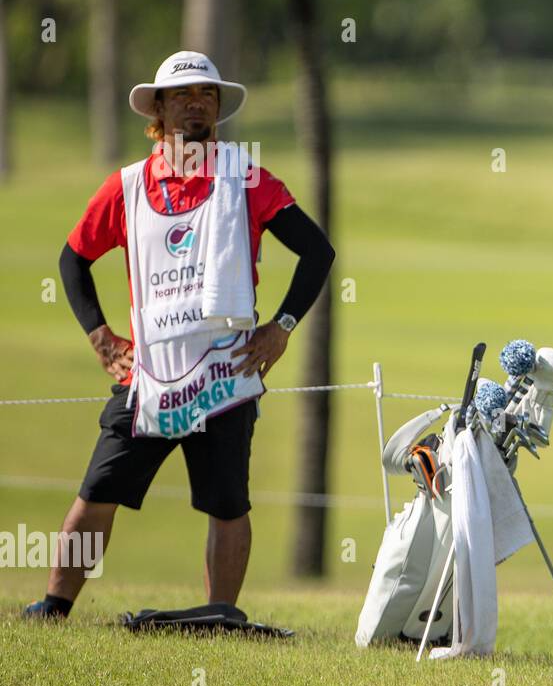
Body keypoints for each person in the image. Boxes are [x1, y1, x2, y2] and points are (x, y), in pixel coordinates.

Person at [24, 50, 335, 620]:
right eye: (184, 96)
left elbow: (318, 252)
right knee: (99, 489)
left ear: (217, 109)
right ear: (160, 111)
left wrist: (282, 328)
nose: (197, 104)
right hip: (149, 375)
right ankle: (53, 607)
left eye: (208, 95)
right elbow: (73, 259)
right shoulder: (127, 186)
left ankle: (217, 617)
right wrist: (100, 337)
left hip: (227, 369)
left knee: (228, 501)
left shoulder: (248, 177)